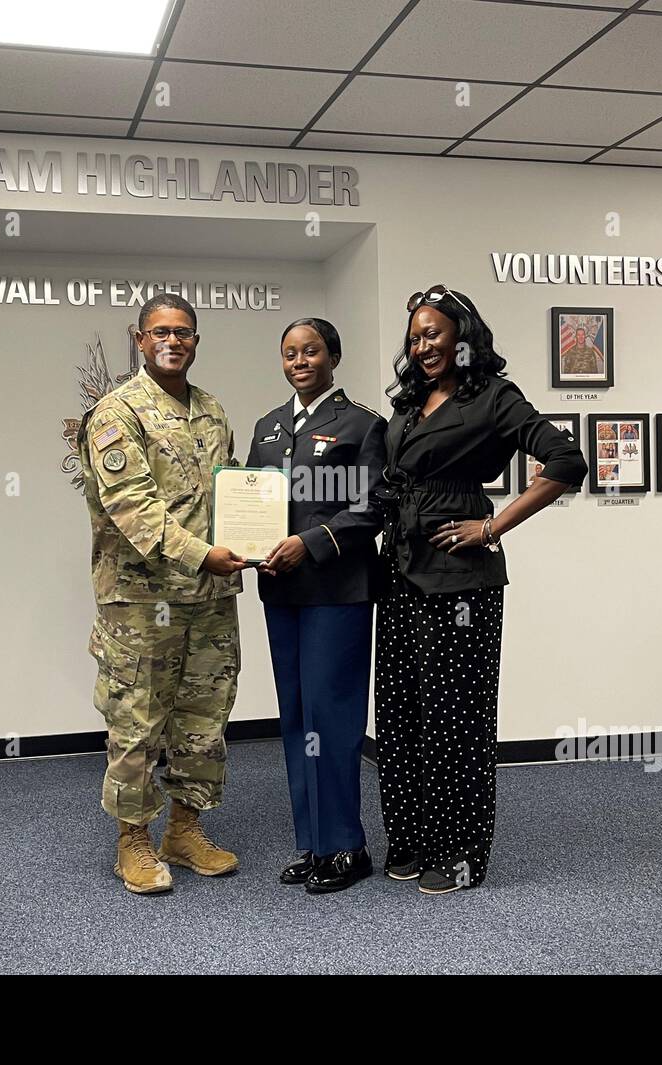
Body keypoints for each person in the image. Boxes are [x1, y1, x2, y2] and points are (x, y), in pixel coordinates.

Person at [375, 284, 588, 894]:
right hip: (400, 571)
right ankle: (412, 838)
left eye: (433, 334)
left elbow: (566, 462)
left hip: (459, 581)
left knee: (455, 720)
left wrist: (492, 526)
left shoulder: (494, 397)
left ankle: (460, 853)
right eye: (414, 338)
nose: (422, 347)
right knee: (400, 714)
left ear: (462, 336)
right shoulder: (410, 401)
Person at [78, 292, 249, 895]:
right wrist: (205, 554)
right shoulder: (116, 413)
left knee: (204, 718)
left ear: (195, 341)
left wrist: (256, 535)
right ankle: (133, 840)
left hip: (210, 597)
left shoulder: (212, 411)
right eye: (160, 332)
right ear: (140, 339)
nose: (172, 341)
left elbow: (230, 492)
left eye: (183, 332)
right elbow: (134, 509)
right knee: (136, 721)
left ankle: (183, 829)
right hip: (140, 602)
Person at [247, 318, 386, 894]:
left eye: (311, 351)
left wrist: (310, 542)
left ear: (334, 356)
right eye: (290, 353)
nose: (300, 361)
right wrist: (249, 547)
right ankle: (313, 843)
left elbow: (372, 506)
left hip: (337, 590)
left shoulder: (363, 424)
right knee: (298, 717)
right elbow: (252, 500)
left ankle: (346, 846)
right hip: (282, 590)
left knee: (332, 719)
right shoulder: (268, 426)